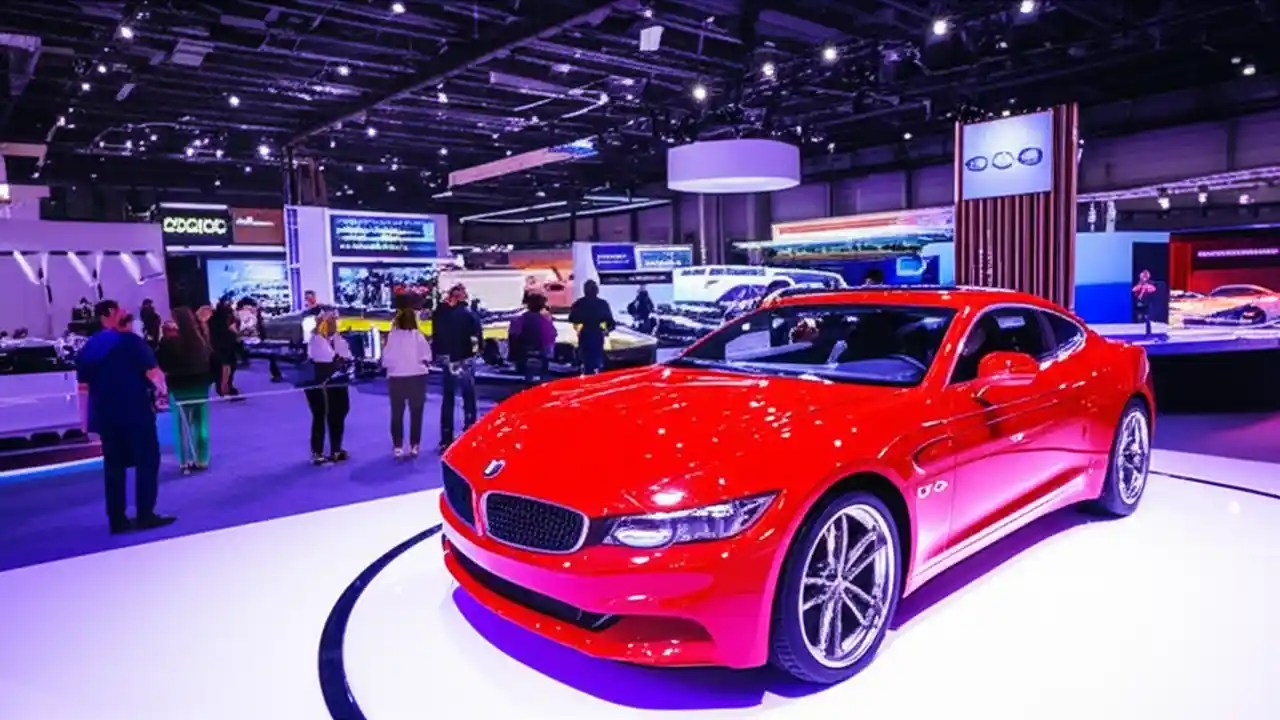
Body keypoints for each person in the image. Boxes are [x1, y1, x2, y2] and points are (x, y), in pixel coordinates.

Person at [75, 300, 176, 534]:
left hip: (105, 416)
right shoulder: (132, 343)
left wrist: (84, 423)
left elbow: (82, 388)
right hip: (135, 412)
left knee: (113, 467)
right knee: (147, 462)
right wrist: (163, 394)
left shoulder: (90, 346)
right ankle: (145, 514)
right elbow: (155, 376)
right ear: (111, 314)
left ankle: (117, 519)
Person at [157, 307, 213, 474]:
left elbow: (162, 364)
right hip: (200, 385)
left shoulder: (168, 343)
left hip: (179, 387)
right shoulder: (200, 341)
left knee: (181, 426)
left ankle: (184, 461)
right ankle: (202, 459)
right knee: (201, 424)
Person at [431, 283, 482, 450]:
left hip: (448, 360)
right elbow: (476, 339)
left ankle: (446, 437)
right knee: (468, 396)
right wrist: (476, 353)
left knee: (448, 398)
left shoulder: (441, 314)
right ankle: (470, 431)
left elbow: (436, 336)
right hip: (465, 359)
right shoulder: (470, 315)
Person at [382, 302, 432, 458]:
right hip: (417, 377)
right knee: (416, 413)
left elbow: (386, 360)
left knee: (397, 413)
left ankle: (398, 446)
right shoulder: (418, 336)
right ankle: (414, 445)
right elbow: (427, 356)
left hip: (397, 378)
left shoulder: (392, 336)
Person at [305, 312, 353, 464]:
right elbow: (327, 358)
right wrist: (340, 359)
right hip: (320, 382)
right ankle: (317, 452)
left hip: (338, 380)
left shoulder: (337, 338)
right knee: (320, 414)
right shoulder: (316, 340)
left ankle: (336, 449)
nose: (335, 323)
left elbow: (346, 355)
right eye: (331, 320)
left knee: (340, 411)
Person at [568, 279, 615, 375]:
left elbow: (572, 318)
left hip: (585, 334)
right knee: (597, 359)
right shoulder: (602, 304)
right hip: (597, 334)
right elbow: (610, 322)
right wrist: (606, 329)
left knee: (586, 360)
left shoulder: (579, 303)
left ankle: (588, 377)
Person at [509, 293, 557, 383]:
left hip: (526, 349)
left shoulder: (521, 319)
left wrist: (512, 353)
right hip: (540, 349)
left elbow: (513, 334)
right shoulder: (545, 319)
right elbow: (553, 334)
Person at [208, 301, 241, 398]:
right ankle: (224, 389)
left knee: (225, 369)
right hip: (223, 348)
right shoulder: (222, 322)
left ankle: (225, 388)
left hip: (221, 348)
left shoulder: (215, 320)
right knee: (225, 369)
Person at [1133, 269, 1157, 336]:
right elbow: (1134, 290)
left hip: (1146, 303)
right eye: (1142, 277)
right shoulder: (1139, 285)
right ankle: (1139, 333)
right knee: (1139, 317)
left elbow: (1153, 290)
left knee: (1147, 318)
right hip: (1139, 303)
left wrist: (1146, 288)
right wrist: (1140, 286)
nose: (1143, 279)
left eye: (1145, 277)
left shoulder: (1150, 285)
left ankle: (1148, 333)